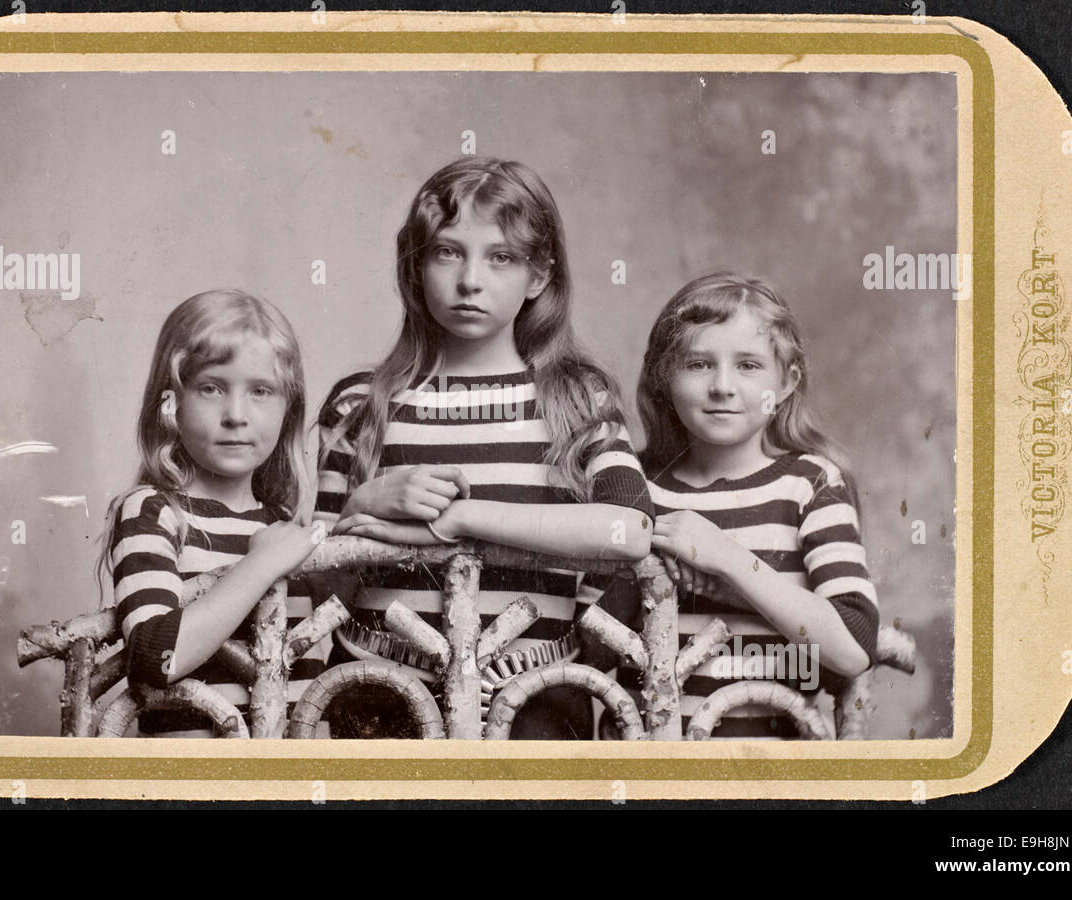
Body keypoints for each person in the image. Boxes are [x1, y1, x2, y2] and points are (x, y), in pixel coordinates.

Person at [316, 156, 654, 739]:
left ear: (540, 276)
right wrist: (362, 505)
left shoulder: (577, 399)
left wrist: (463, 519)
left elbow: (631, 529)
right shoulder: (361, 402)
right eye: (448, 252)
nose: (470, 280)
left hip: (535, 695)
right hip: (382, 694)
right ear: (417, 265)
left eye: (501, 257)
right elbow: (315, 581)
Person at [626, 271, 878, 738]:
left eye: (748, 366)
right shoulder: (637, 486)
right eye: (699, 364)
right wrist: (645, 568)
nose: (722, 386)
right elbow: (593, 647)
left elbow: (853, 649)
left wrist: (728, 560)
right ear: (664, 377)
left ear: (786, 382)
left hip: (772, 761)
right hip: (654, 758)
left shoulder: (811, 484)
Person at [100, 289, 321, 737]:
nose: (236, 415)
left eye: (261, 391)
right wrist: (258, 566)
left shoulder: (280, 526)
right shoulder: (153, 512)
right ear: (170, 404)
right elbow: (154, 659)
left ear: (287, 409)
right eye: (211, 388)